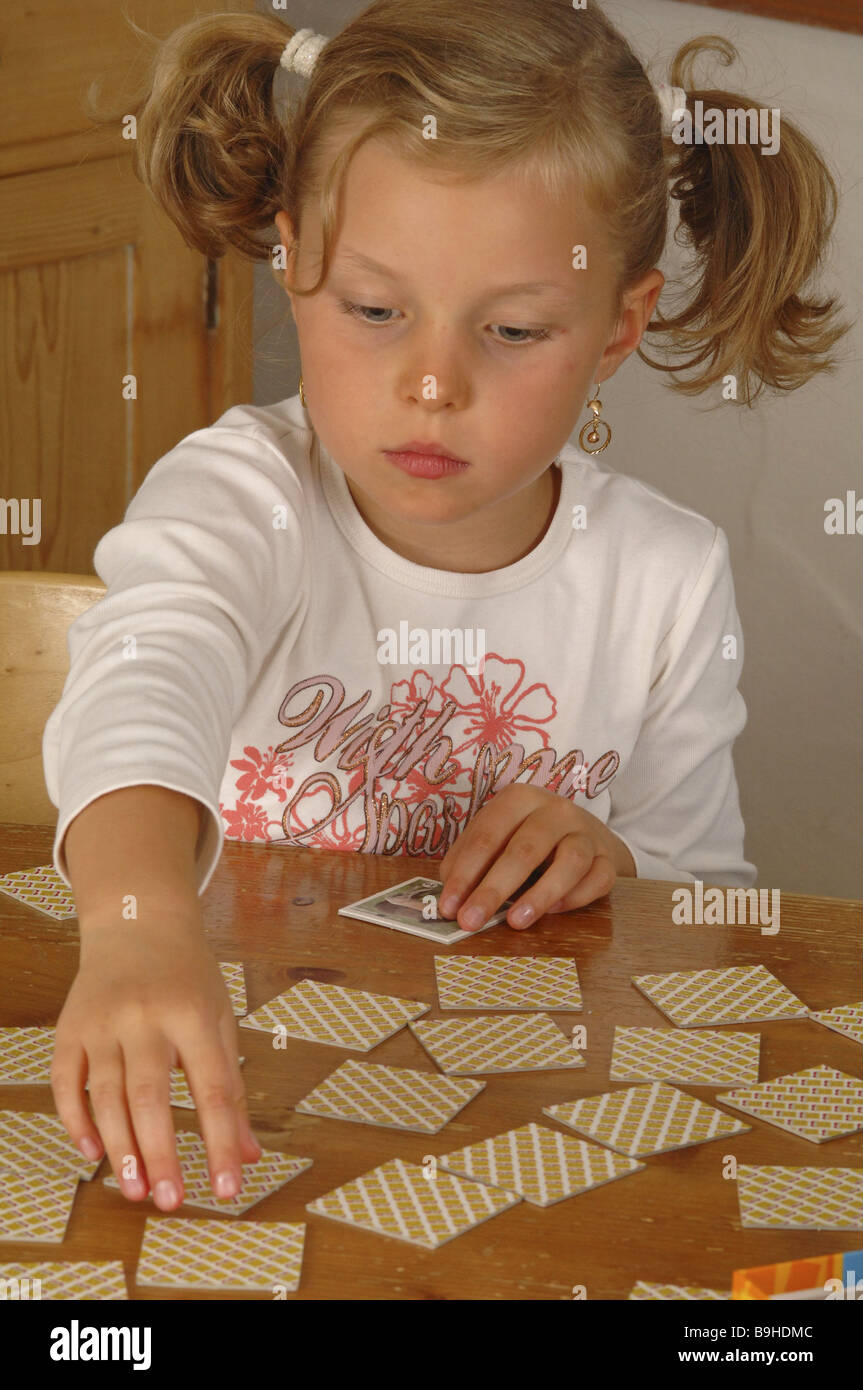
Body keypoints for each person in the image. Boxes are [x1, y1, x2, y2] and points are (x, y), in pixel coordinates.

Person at [42, 0, 849, 1212]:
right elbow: (144, 673)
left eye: (513, 329)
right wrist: (140, 917)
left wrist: (614, 858)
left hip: (523, 1135)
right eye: (375, 312)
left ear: (616, 325)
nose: (430, 385)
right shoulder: (243, 496)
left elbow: (698, 905)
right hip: (226, 1087)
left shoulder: (663, 577)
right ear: (291, 257)